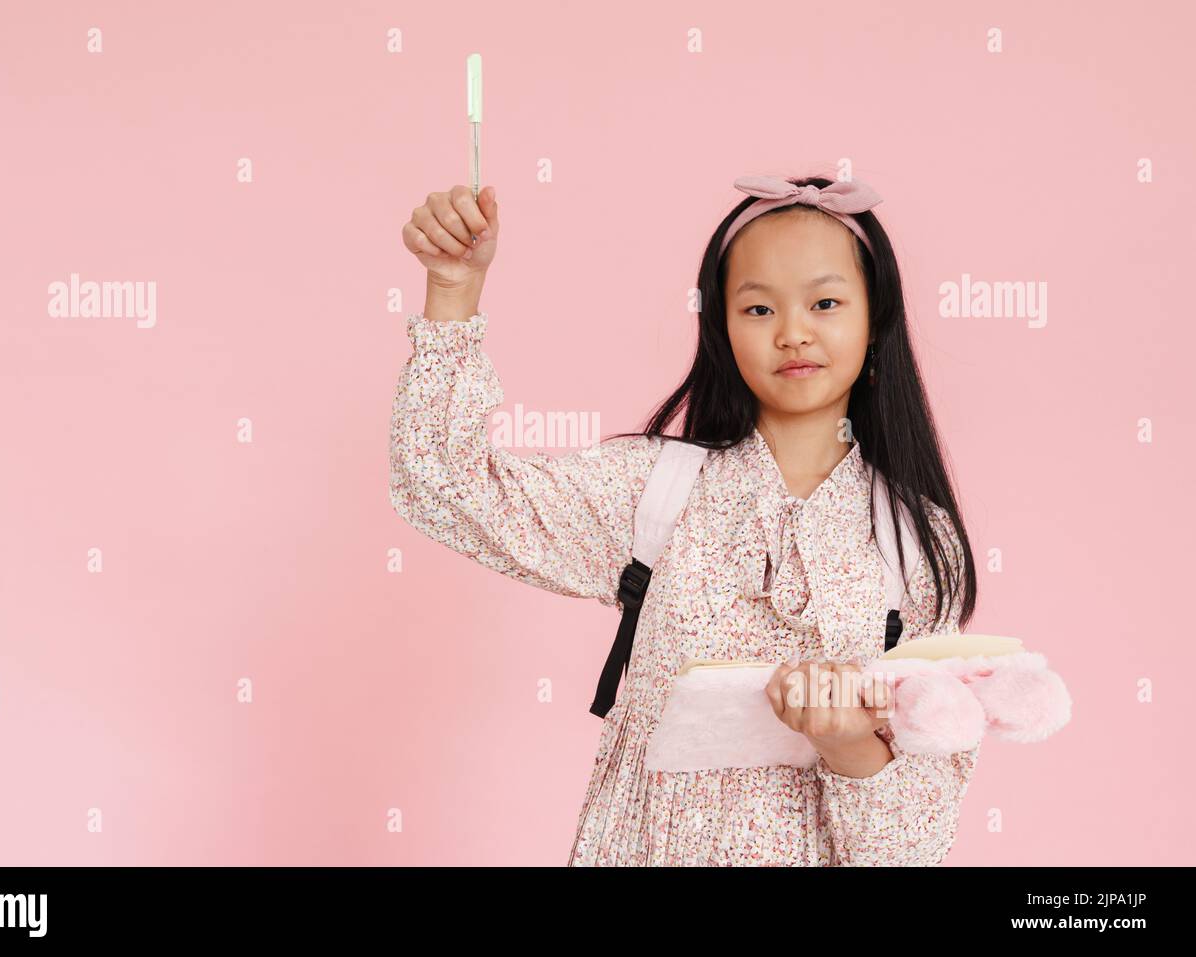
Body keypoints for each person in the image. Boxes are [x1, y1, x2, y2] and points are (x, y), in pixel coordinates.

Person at [390, 175, 979, 866]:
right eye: (758, 308)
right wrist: (454, 291)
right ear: (722, 327)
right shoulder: (655, 490)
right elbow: (443, 484)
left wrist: (848, 742)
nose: (792, 332)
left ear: (874, 317)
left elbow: (914, 848)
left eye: (825, 302)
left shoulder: (914, 540)